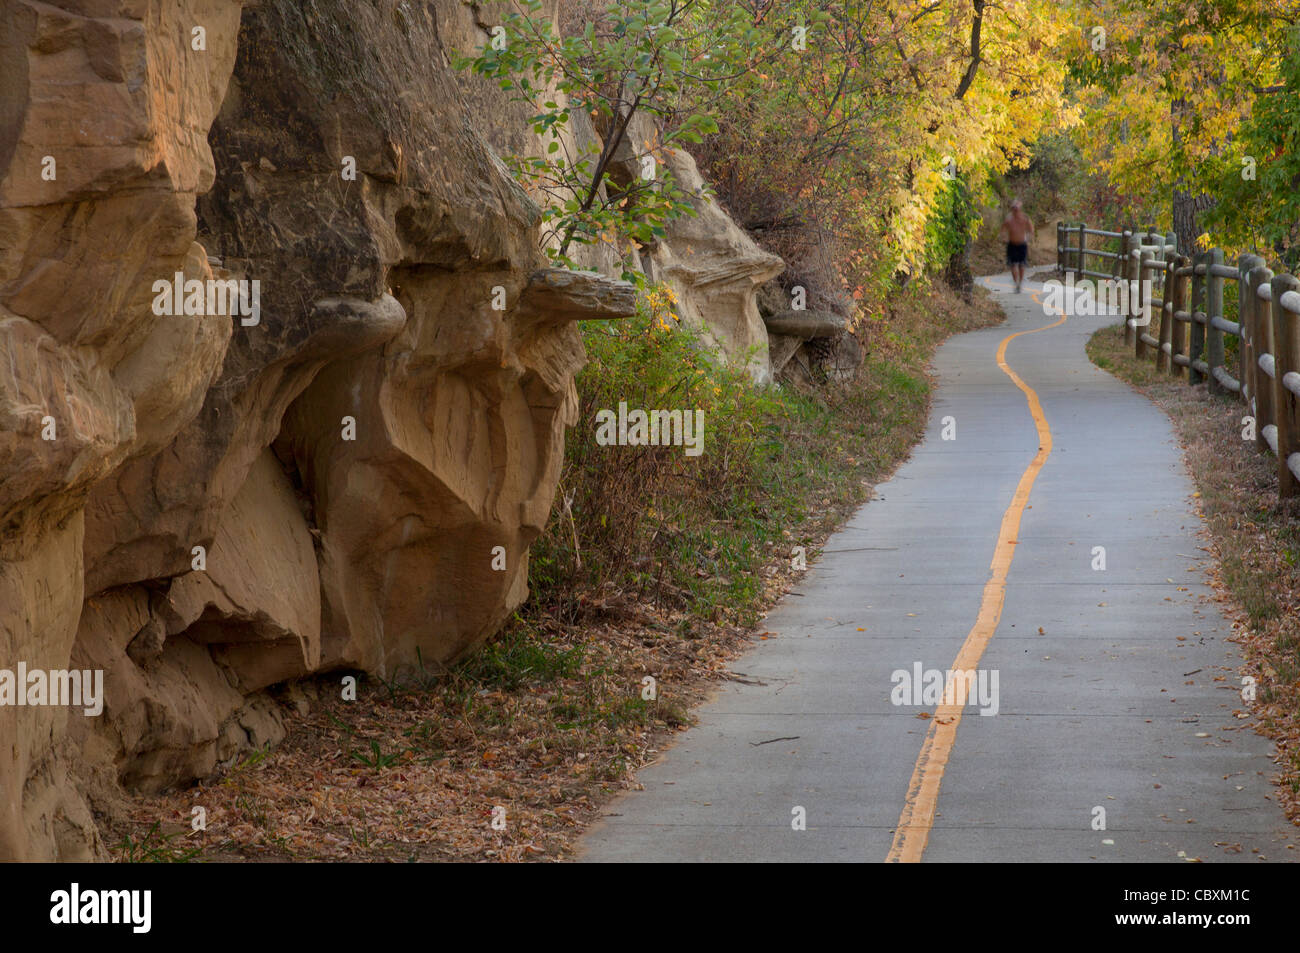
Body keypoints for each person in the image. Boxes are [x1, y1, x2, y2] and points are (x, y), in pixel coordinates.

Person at [999, 199, 1034, 293]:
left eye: (1017, 209)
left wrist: (1028, 238)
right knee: (1013, 264)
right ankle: (1016, 283)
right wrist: (1004, 238)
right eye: (1014, 208)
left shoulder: (1025, 218)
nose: (1015, 210)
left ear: (1020, 209)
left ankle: (1020, 282)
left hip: (1022, 244)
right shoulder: (1009, 219)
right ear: (1012, 209)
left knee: (1022, 264)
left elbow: (1031, 229)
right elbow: (1002, 229)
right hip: (1012, 244)